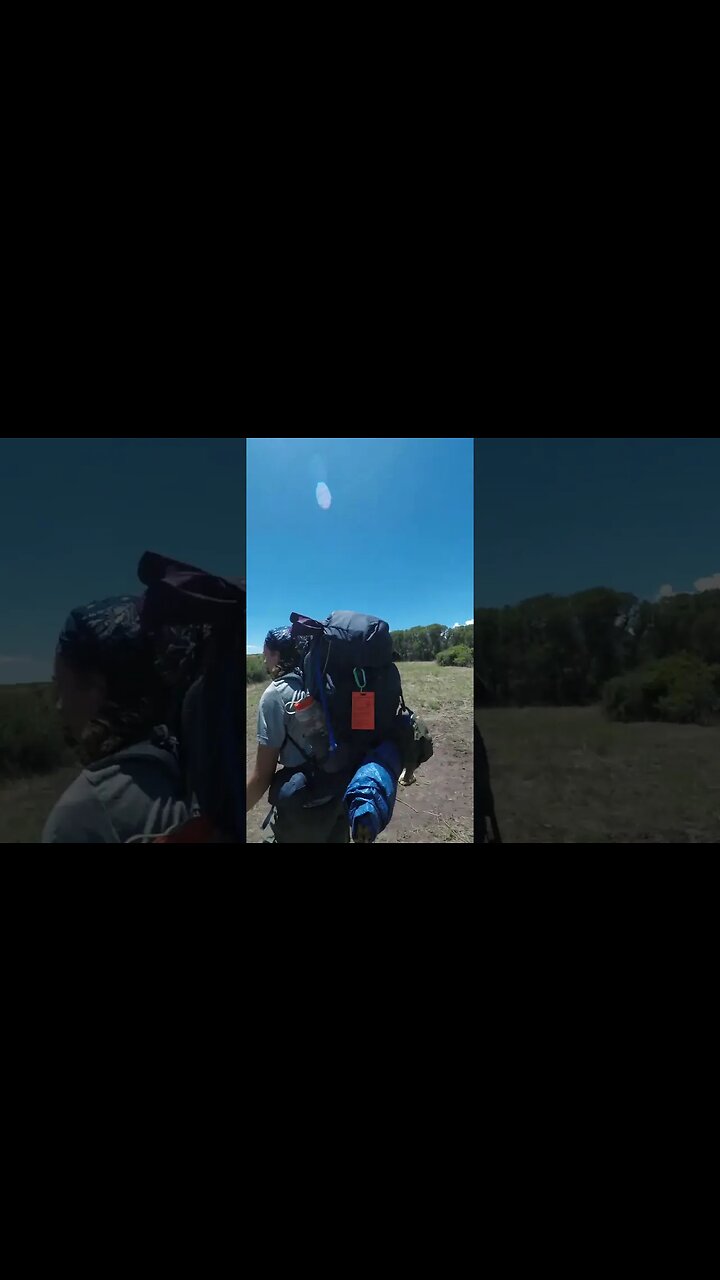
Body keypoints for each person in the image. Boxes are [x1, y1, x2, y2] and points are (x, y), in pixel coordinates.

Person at [42, 596, 189, 843]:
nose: (58, 706)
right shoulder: (192, 756)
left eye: (62, 688)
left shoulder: (81, 816)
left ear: (95, 691)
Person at [247, 627, 351, 843]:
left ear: (277, 655)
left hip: (302, 810)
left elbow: (261, 777)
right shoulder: (323, 683)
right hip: (337, 799)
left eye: (266, 655)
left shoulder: (275, 695)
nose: (265, 662)